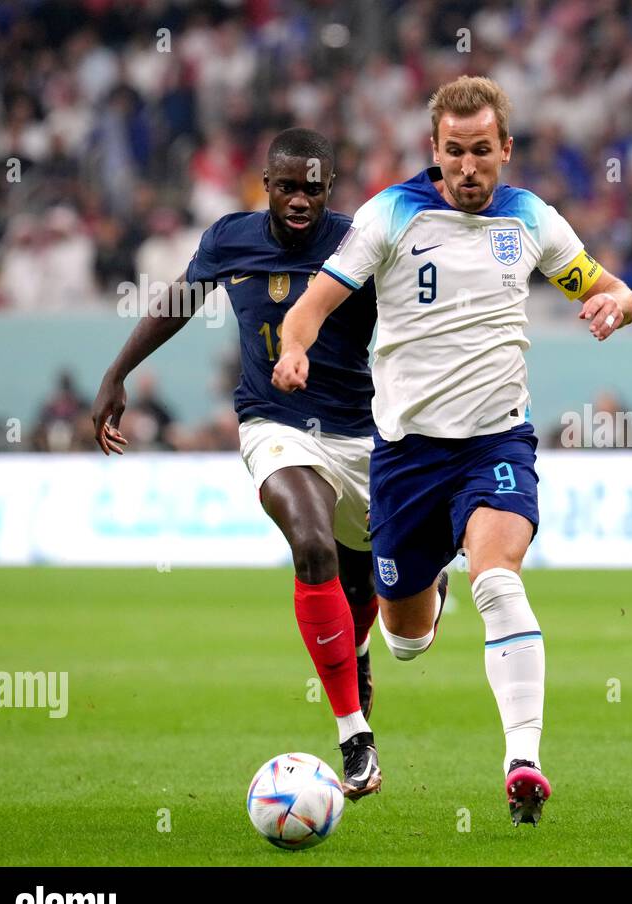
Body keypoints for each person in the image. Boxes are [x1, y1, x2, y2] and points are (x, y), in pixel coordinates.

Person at [272, 76, 632, 826]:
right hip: (406, 457)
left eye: (482, 152)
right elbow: (310, 307)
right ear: (433, 152)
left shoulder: (530, 218)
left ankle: (523, 761)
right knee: (405, 640)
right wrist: (294, 351)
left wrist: (614, 303)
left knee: (498, 579)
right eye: (454, 153)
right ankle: (426, 592)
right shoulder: (392, 214)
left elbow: (608, 286)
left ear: (506, 149)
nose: (469, 167)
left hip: (497, 440)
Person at [90, 128, 388, 801]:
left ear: (330, 188)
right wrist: (117, 372)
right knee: (311, 545)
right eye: (287, 185)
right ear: (267, 184)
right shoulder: (230, 238)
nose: (299, 198)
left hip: (363, 435)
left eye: (313, 186)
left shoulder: (359, 243)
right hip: (273, 424)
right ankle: (354, 738)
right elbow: (178, 301)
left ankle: (362, 645)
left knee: (379, 596)